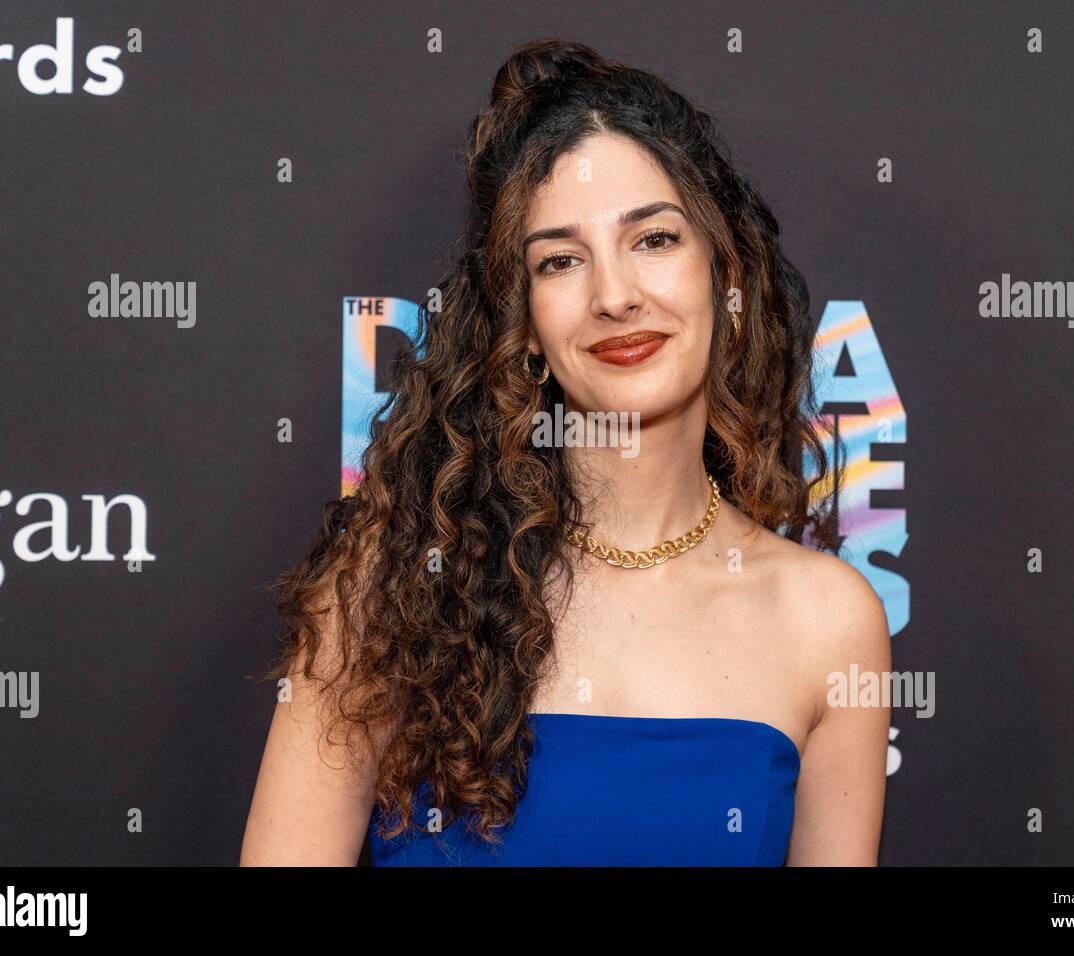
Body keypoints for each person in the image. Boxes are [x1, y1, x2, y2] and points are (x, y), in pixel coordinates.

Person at [241, 36, 890, 866]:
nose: (615, 296)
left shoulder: (829, 621)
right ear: (525, 323)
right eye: (560, 260)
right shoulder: (392, 589)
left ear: (725, 276)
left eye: (653, 240)